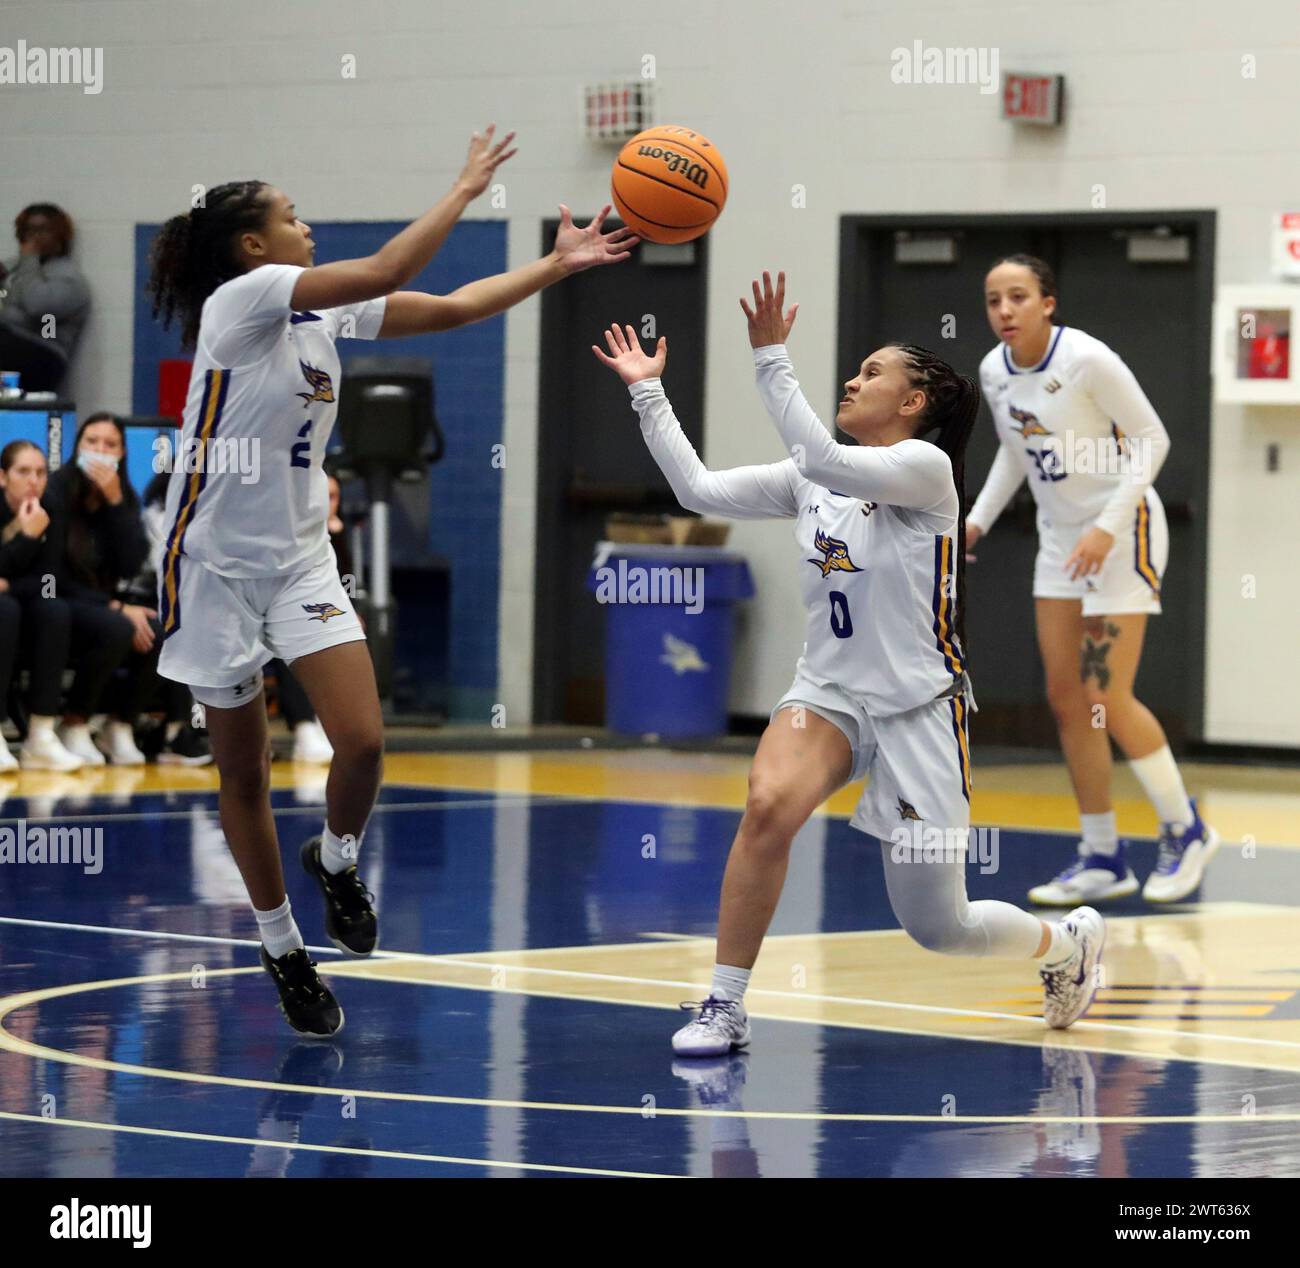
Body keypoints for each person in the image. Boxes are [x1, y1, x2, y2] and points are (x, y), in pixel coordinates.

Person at [145, 124, 636, 1037]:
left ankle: (335, 859)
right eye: (292, 217)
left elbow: (449, 307)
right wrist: (462, 187)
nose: (306, 226)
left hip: (297, 559)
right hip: (211, 566)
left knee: (363, 743)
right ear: (253, 247)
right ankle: (284, 950)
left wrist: (556, 267)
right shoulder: (244, 301)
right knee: (243, 774)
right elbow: (379, 268)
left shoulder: (317, 313)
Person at [592, 271, 1106, 1057]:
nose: (851, 379)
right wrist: (647, 394)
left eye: (872, 373)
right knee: (767, 806)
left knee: (943, 927)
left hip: (920, 711)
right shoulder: (813, 480)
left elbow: (823, 457)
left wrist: (770, 356)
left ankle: (1066, 947)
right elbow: (696, 491)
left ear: (912, 404)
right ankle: (725, 1006)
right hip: (828, 695)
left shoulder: (927, 473)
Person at [966, 255, 1218, 906]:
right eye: (994, 299)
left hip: (1120, 529)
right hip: (1058, 540)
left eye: (1017, 297)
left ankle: (1186, 829)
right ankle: (1103, 853)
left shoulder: (1087, 360)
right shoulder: (995, 372)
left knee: (1106, 690)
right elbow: (1014, 452)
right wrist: (977, 522)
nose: (1004, 310)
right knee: (1066, 698)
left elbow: (1152, 439)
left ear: (1048, 303)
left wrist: (1107, 524)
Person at [0, 203, 91, 392]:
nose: (34, 236)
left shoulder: (69, 278)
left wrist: (28, 260)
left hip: (44, 353)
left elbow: (38, 307)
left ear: (59, 235)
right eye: (28, 230)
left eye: (42, 230)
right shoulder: (14, 269)